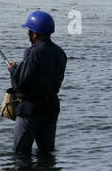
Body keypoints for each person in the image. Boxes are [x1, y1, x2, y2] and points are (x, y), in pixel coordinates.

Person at [7, 10, 67, 157]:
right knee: (46, 154)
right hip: (51, 107)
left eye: (29, 31)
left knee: (20, 155)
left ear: (34, 34)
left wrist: (12, 70)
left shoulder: (33, 52)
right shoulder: (60, 53)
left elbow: (21, 84)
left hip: (31, 110)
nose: (28, 33)